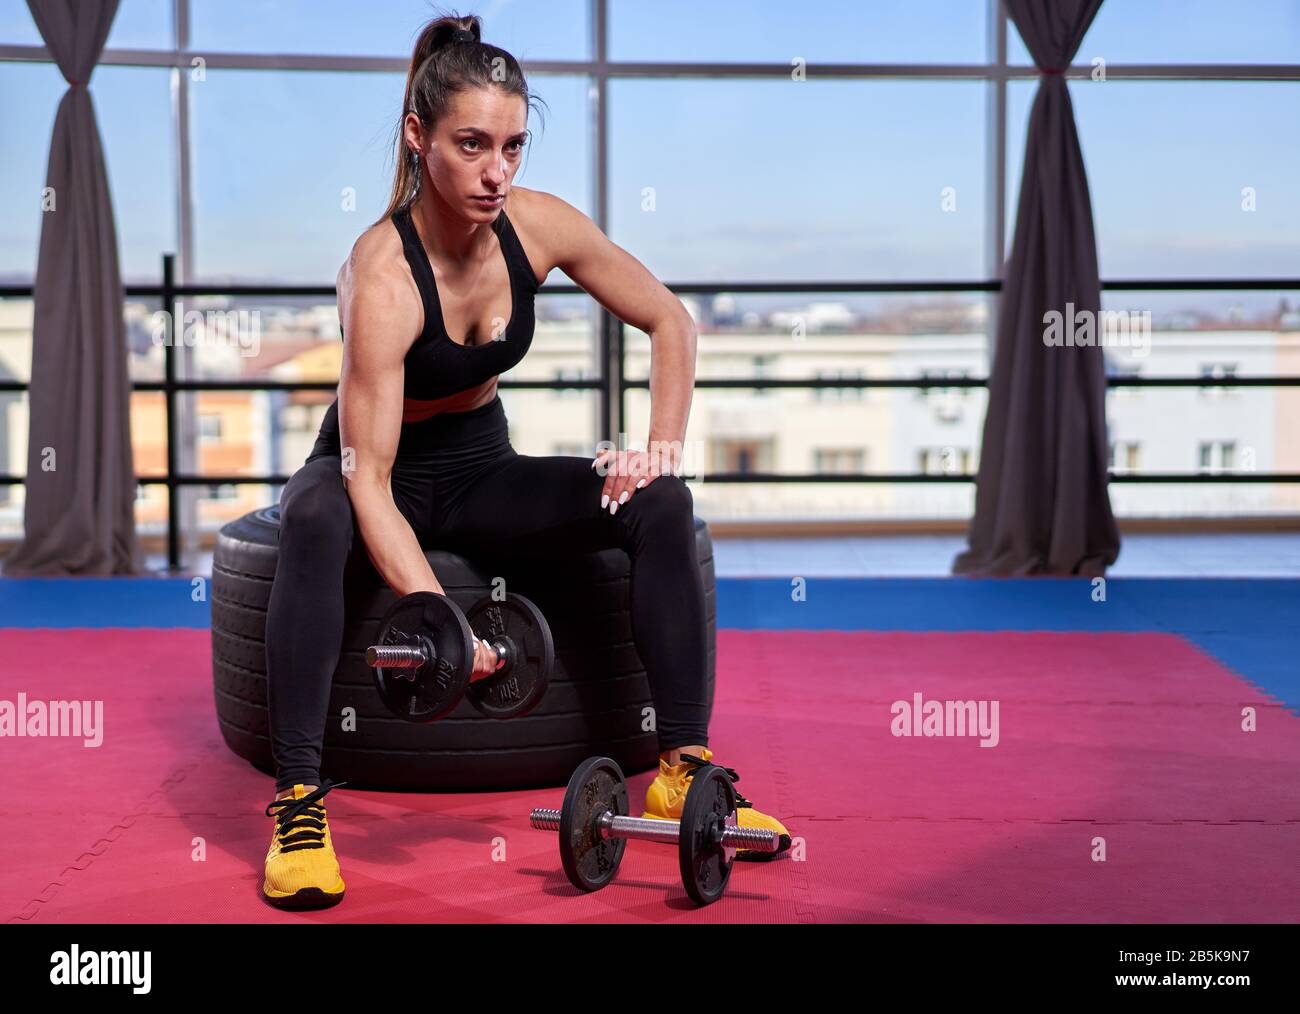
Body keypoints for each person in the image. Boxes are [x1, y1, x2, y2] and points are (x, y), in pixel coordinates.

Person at [261, 13, 791, 910]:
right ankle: (299, 805)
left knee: (663, 502)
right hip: (367, 469)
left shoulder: (534, 228)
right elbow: (368, 480)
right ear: (418, 136)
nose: (496, 170)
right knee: (312, 517)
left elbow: (671, 320)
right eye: (471, 145)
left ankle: (683, 765)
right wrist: (443, 621)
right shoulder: (381, 275)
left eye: (512, 146)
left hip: (477, 470)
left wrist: (655, 451)